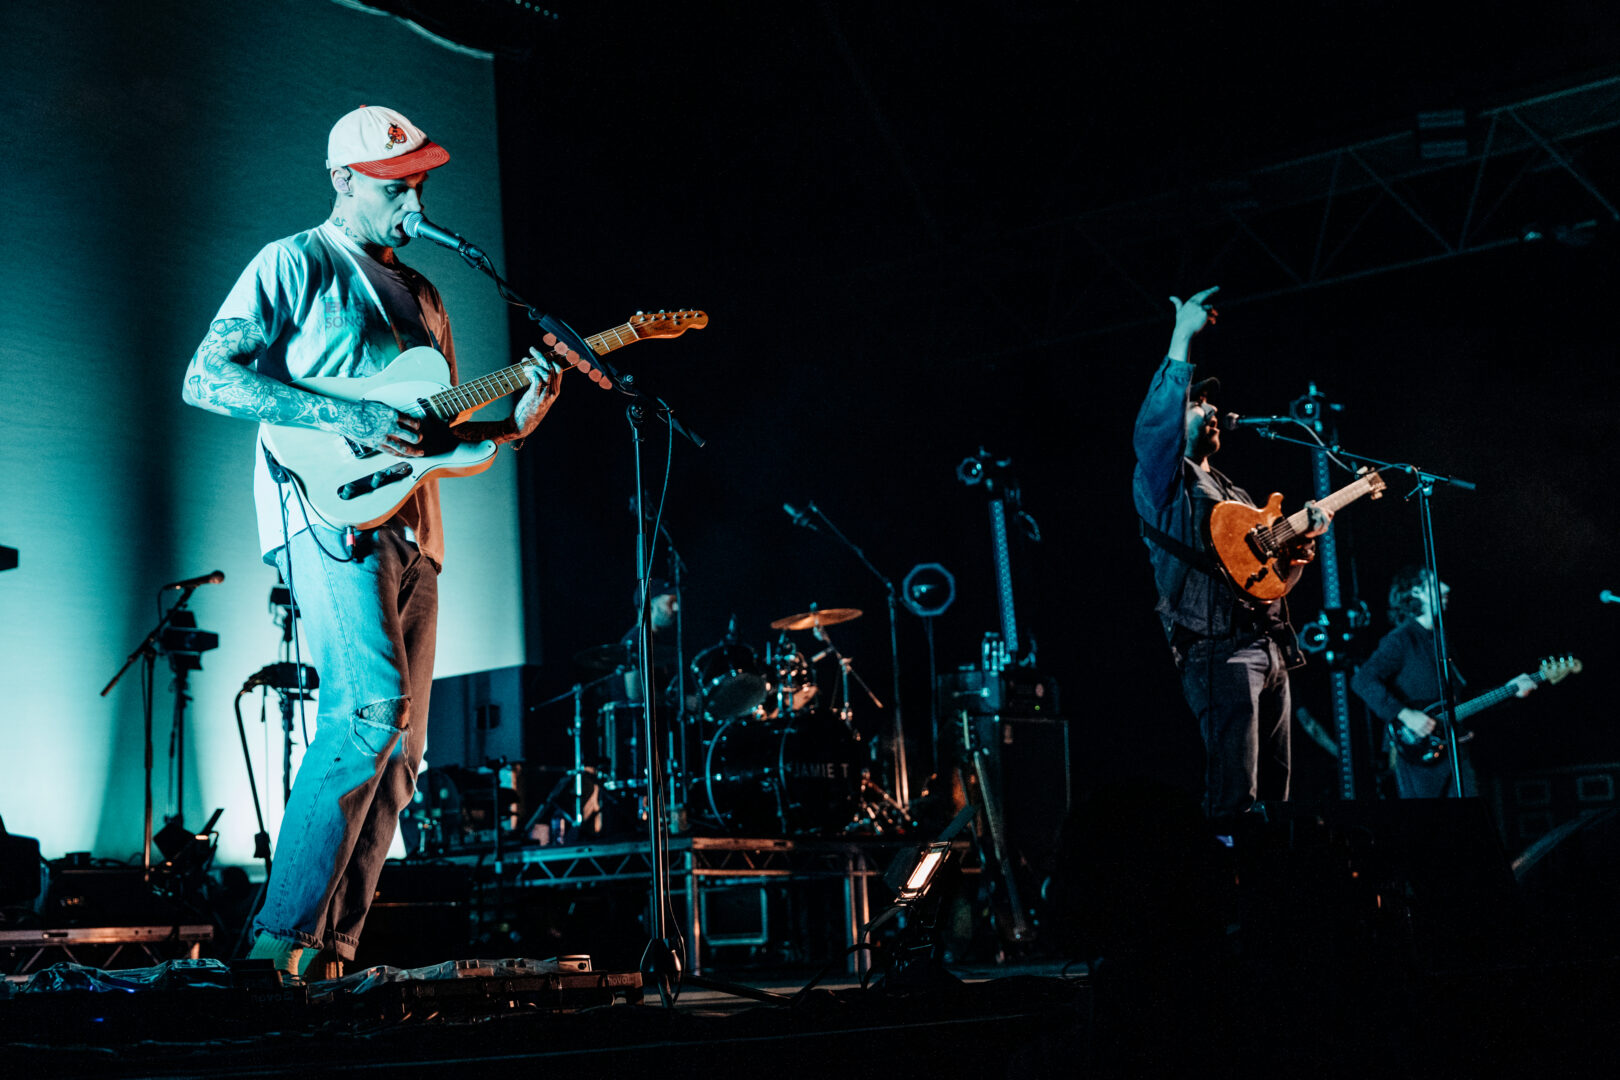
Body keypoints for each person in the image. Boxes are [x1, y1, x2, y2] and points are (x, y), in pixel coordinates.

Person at [180, 105, 566, 976]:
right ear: (343, 180)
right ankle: (275, 947)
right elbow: (208, 374)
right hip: (323, 517)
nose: (414, 197)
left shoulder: (425, 294)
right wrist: (345, 411)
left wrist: (516, 422)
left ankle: (329, 956)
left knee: (403, 752)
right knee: (366, 713)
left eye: (421, 180)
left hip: (414, 535)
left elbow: (437, 442)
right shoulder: (296, 262)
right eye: (397, 184)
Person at [1132, 286, 1331, 823]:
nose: (1214, 411)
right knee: (1233, 794)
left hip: (1267, 649)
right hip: (1217, 653)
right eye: (1202, 405)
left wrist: (1299, 548)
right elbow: (1154, 424)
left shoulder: (1235, 494)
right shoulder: (1164, 481)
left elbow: (1266, 580)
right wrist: (1182, 338)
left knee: (1275, 794)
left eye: (1214, 407)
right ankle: (1228, 895)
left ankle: (1271, 890)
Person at [1351, 566, 1536, 798]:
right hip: (1419, 753)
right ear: (1417, 591)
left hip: (1456, 748)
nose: (1446, 588)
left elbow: (1460, 700)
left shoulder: (1441, 640)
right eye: (1436, 583)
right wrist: (1405, 714)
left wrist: (1510, 691)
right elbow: (1363, 680)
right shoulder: (1401, 639)